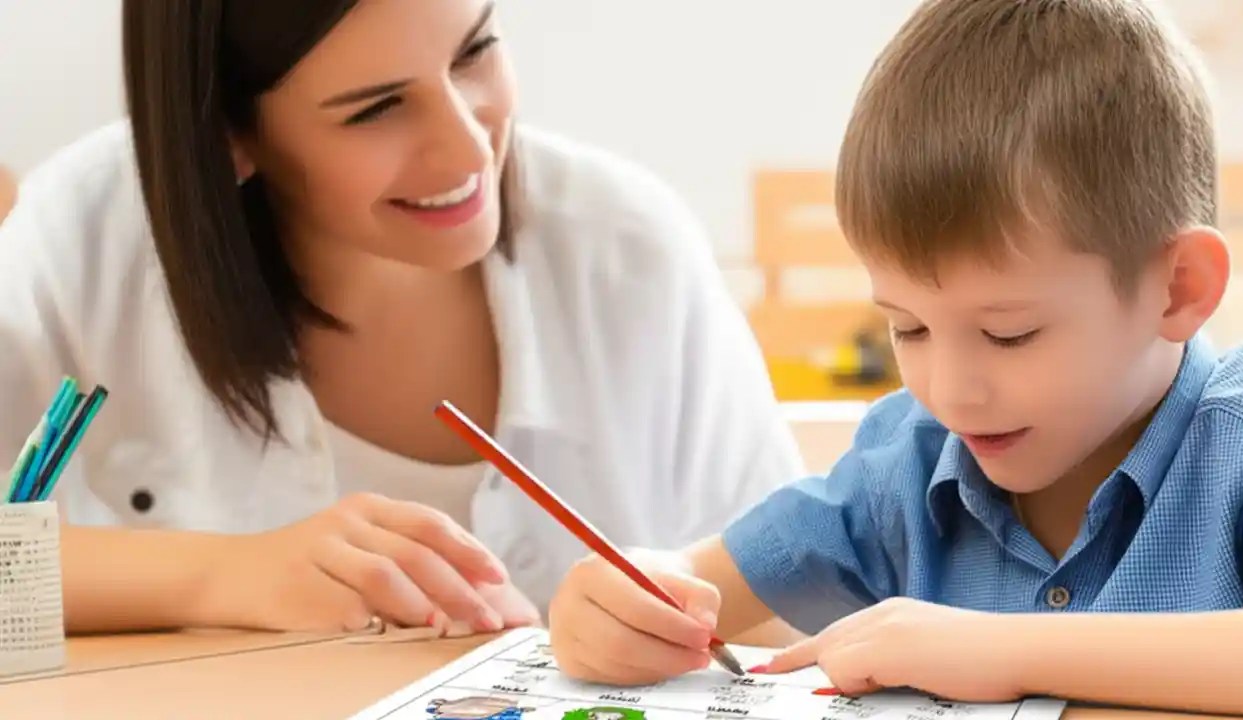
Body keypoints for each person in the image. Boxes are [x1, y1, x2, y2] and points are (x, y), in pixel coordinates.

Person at [547, 1, 1243, 716]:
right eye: (909, 329)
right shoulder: (906, 462)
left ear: (1179, 288)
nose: (950, 393)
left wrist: (1005, 652)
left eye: (1009, 334)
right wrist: (628, 602)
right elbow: (691, 584)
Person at [0, 0, 803, 636]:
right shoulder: (83, 239)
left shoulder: (627, 245)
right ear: (229, 136)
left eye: (474, 50)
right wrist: (231, 574)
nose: (468, 149)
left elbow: (799, 591)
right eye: (377, 108)